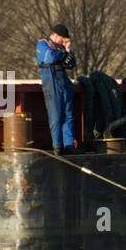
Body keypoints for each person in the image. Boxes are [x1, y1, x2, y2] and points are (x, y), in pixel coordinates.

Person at [37, 23, 79, 154]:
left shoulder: (61, 48)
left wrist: (67, 50)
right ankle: (57, 146)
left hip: (63, 82)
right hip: (51, 82)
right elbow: (50, 57)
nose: (63, 41)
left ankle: (69, 145)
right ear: (56, 35)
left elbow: (72, 63)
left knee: (68, 115)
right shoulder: (43, 45)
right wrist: (63, 55)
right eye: (62, 39)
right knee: (56, 115)